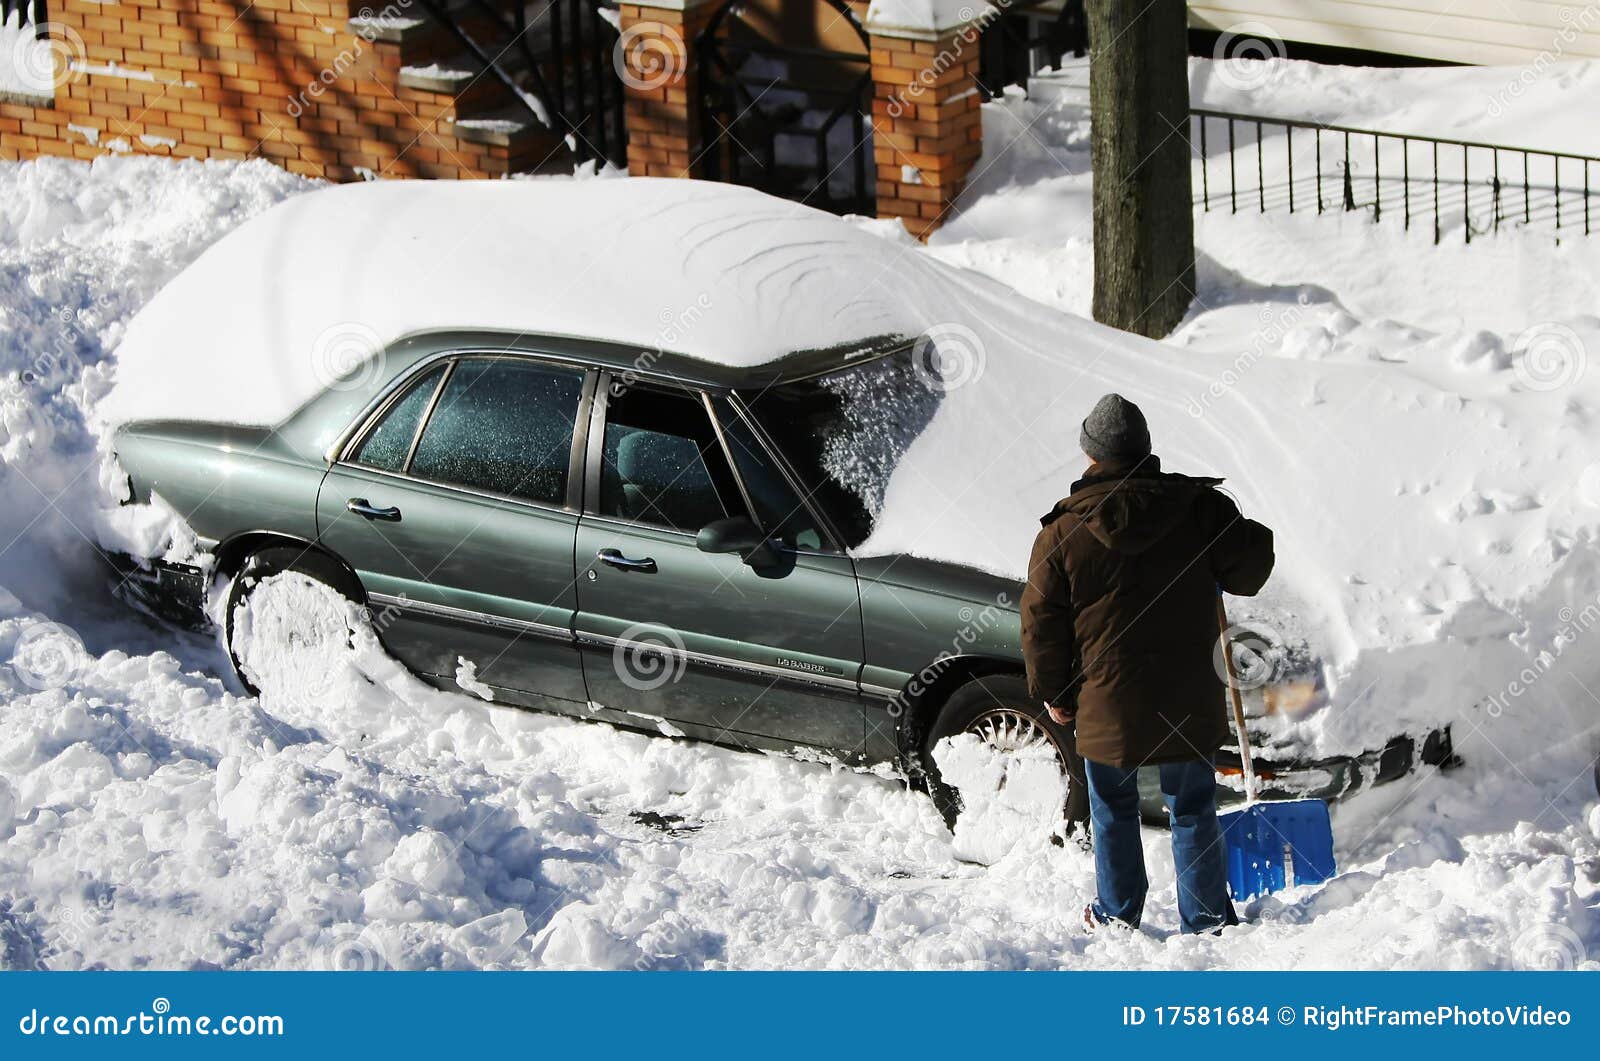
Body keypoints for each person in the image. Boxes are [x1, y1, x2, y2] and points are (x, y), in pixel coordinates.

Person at [1020, 393, 1274, 935]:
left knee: (1112, 805)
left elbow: (1042, 623)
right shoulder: (1200, 510)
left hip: (1106, 700)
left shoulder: (1060, 533)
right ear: (1146, 450)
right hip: (1188, 694)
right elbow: (1249, 571)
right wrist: (1237, 529)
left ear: (1090, 455)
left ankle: (1117, 912)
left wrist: (1055, 693)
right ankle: (1205, 917)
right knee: (1192, 804)